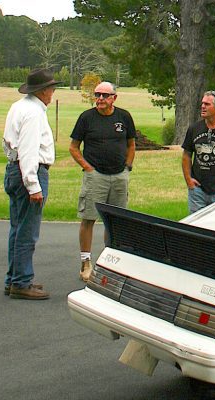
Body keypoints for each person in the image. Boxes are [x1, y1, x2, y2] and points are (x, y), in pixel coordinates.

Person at [2, 68, 63, 300]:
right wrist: (33, 185)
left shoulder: (19, 106)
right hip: (30, 171)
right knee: (27, 231)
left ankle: (15, 278)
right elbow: (28, 150)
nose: (53, 92)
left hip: (14, 169)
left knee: (17, 229)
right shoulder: (34, 113)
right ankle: (21, 282)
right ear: (44, 90)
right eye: (52, 88)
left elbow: (9, 144)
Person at [69, 81, 136, 281]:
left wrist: (128, 167)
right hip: (95, 176)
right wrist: (88, 168)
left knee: (115, 220)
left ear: (114, 98)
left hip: (119, 176)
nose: (99, 99)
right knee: (89, 218)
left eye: (104, 95)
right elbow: (74, 147)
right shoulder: (86, 118)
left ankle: (111, 262)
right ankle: (85, 263)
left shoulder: (124, 117)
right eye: (97, 95)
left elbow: (131, 144)